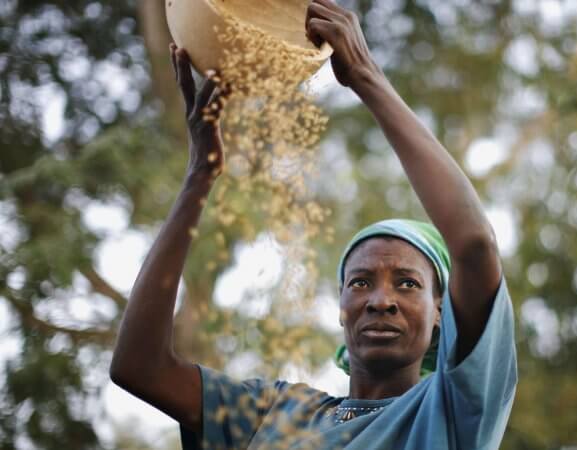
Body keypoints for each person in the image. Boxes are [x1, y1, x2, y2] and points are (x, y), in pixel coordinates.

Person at [110, 0, 517, 448]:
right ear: (340, 306)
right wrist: (198, 176)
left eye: (407, 284)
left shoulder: (453, 409)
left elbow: (475, 248)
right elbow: (139, 367)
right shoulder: (272, 412)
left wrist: (365, 76)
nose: (381, 300)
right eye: (360, 283)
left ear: (441, 313)